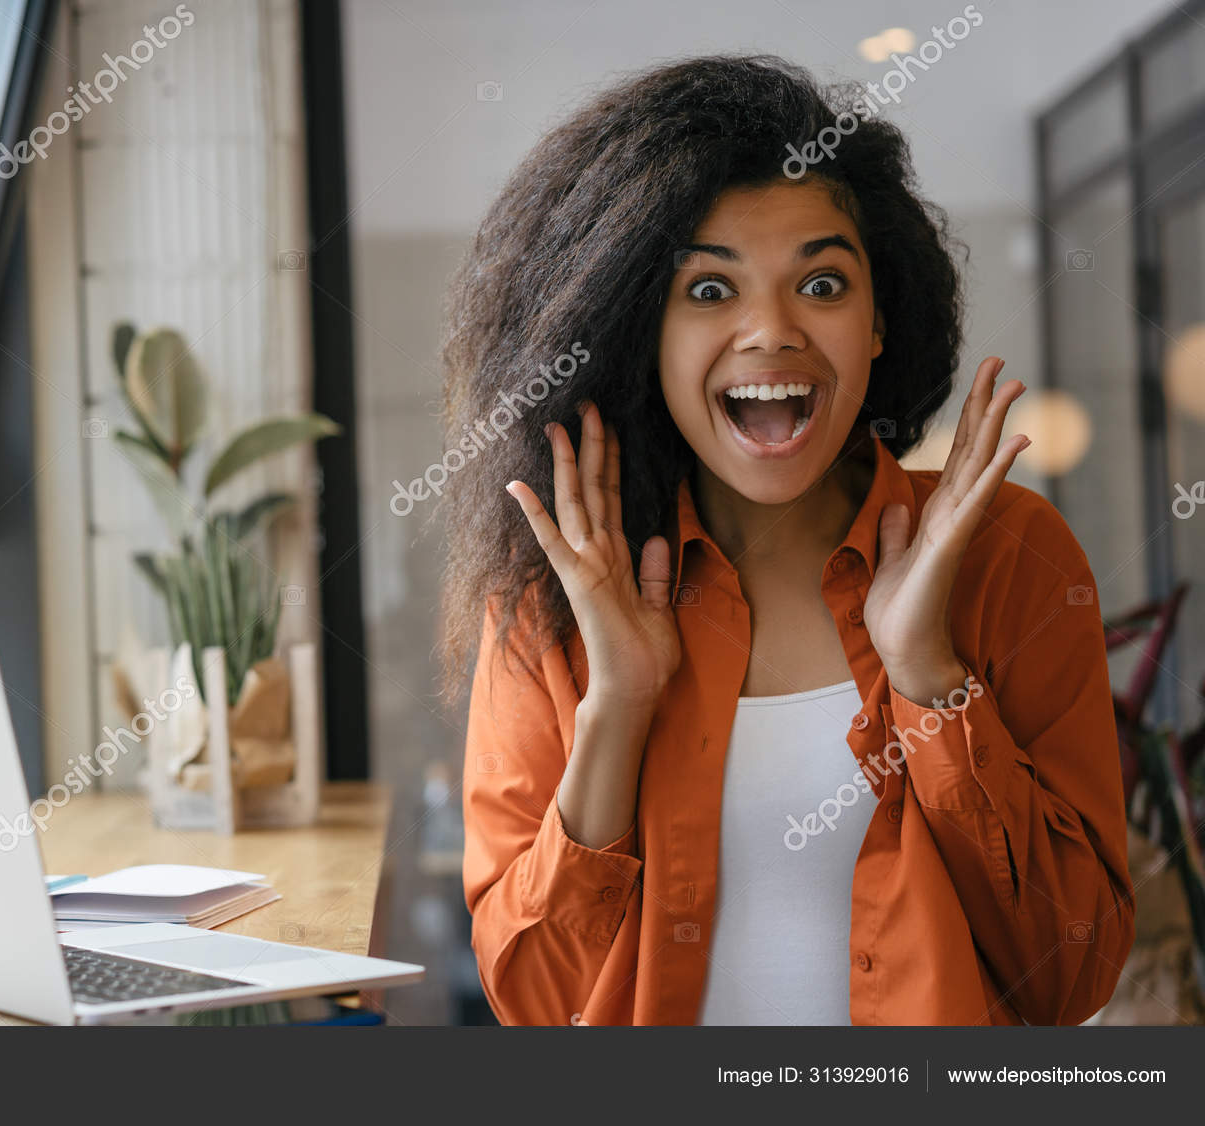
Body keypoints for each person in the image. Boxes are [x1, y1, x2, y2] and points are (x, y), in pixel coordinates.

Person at [443, 55, 1134, 1025]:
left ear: (880, 321)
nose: (770, 331)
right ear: (640, 330)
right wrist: (618, 707)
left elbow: (1072, 973)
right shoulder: (554, 591)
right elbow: (537, 1003)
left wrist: (929, 677)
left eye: (820, 281)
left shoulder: (1007, 551)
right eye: (709, 292)